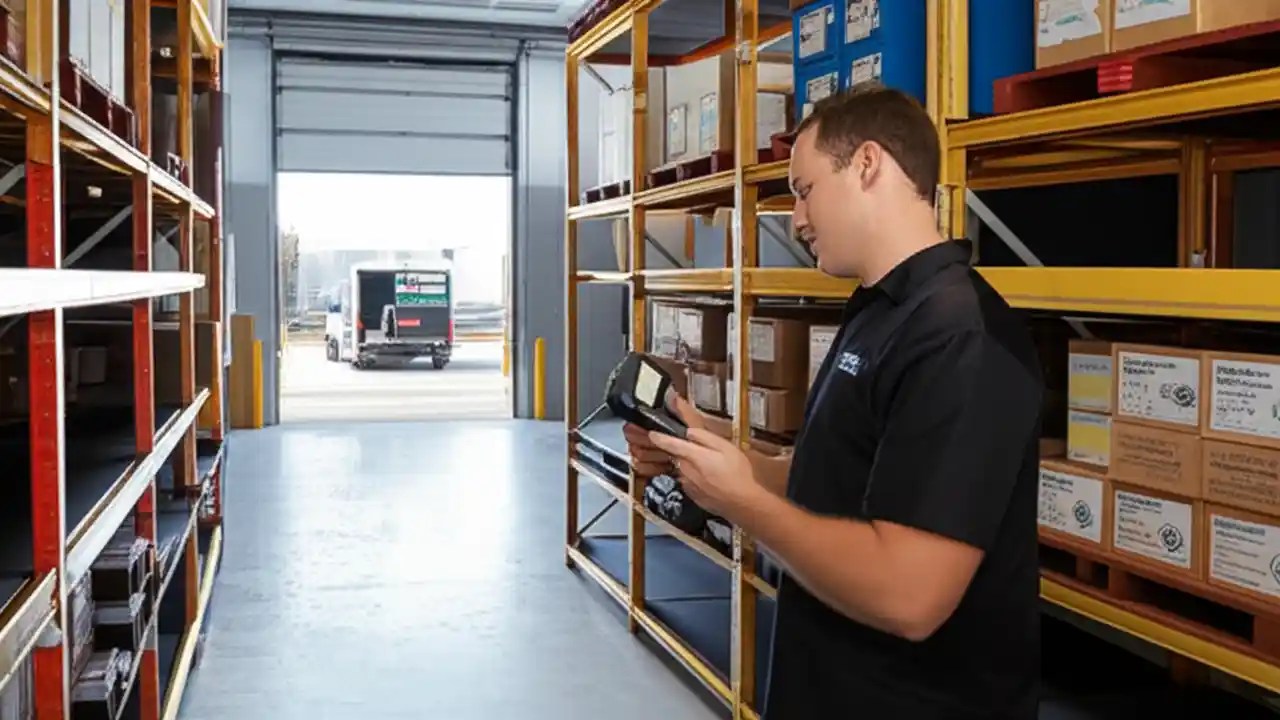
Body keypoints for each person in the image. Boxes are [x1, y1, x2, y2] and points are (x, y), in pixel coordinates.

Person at [623, 84, 1044, 719]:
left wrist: (744, 505)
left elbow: (910, 597)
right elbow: (830, 477)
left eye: (804, 188)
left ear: (868, 164)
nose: (795, 218)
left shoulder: (961, 340)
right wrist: (704, 453)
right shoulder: (879, 310)